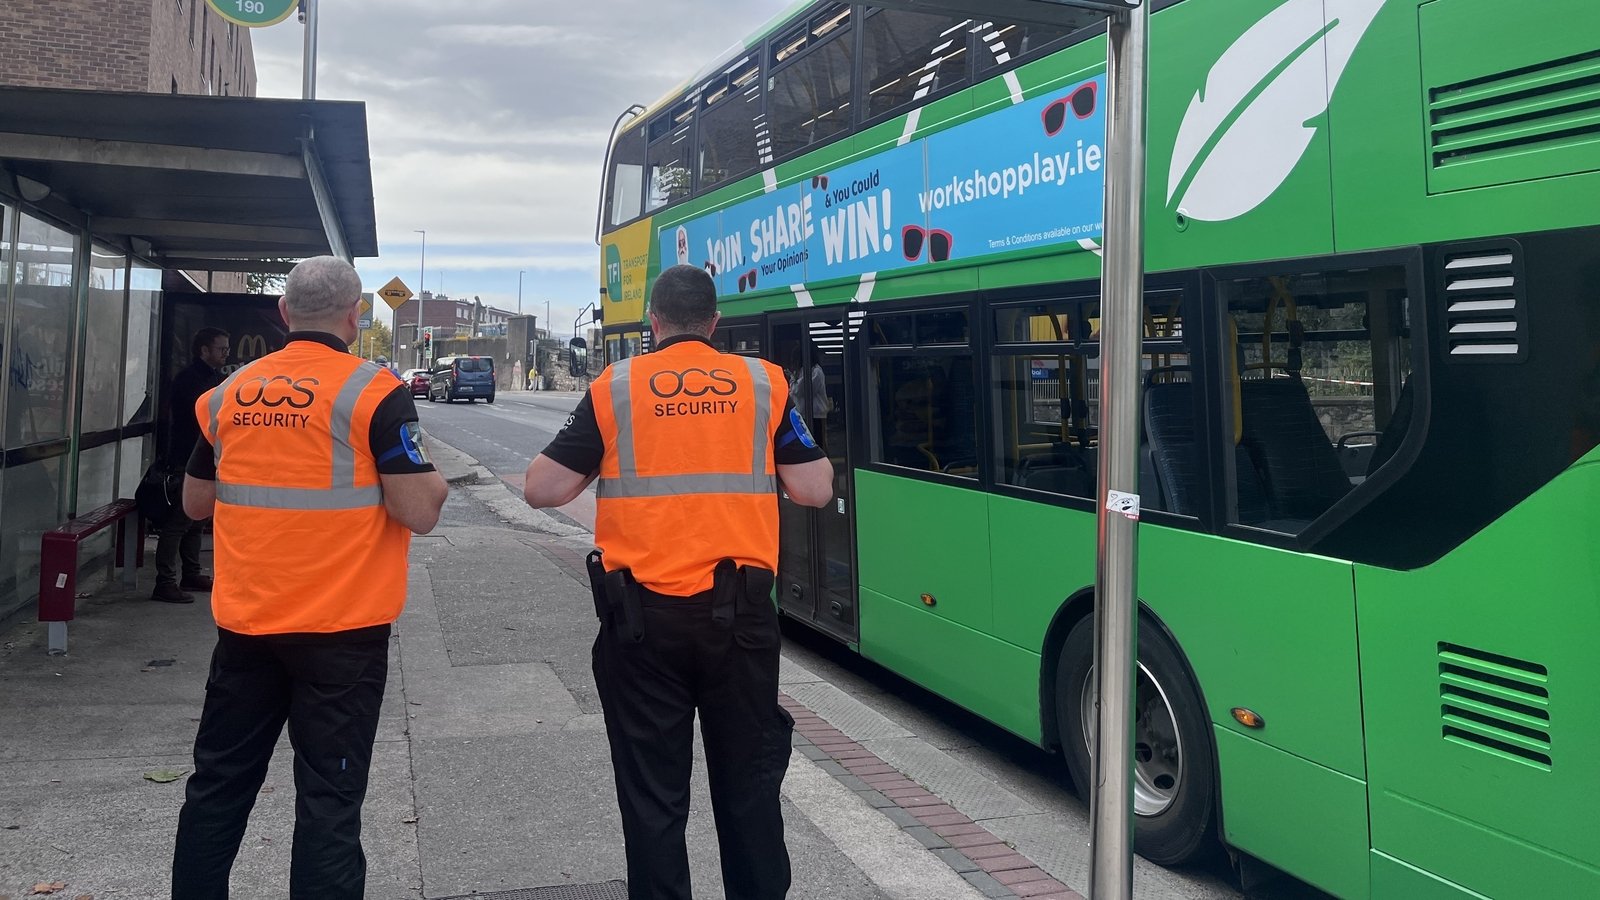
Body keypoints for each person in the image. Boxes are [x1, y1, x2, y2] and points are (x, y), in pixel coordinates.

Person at [524, 265, 834, 900]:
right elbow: (814, 488)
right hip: (740, 622)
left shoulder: (616, 387)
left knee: (653, 802)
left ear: (654, 323)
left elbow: (542, 489)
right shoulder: (764, 383)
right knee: (749, 790)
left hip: (641, 625)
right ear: (714, 323)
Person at [170, 256, 449, 900]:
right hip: (341, 635)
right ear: (355, 316)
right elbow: (418, 510)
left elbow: (193, 503)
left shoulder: (229, 394)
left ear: (283, 313)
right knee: (329, 800)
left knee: (217, 787)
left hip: (247, 628)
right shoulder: (374, 393)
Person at [151, 327, 229, 604]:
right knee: (178, 522)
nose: (226, 354)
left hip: (203, 458)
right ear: (204, 350)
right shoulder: (190, 380)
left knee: (197, 519)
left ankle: (191, 573)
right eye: (221, 349)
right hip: (185, 459)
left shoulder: (214, 378)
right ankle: (165, 582)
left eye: (227, 349)